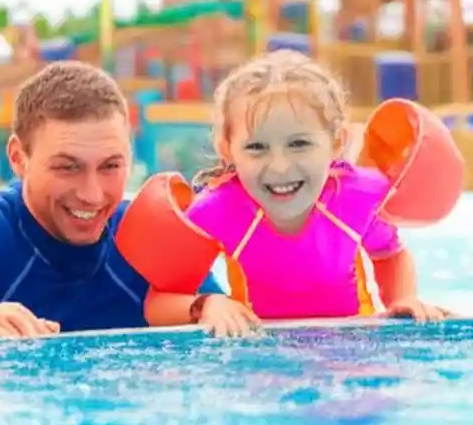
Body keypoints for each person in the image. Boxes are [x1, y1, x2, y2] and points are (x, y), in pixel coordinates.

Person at [0, 60, 239, 344]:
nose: (92, 194)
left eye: (111, 166)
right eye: (68, 167)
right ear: (18, 158)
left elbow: (222, 333)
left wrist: (213, 304)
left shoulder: (148, 236)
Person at [132, 50, 455, 332]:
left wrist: (401, 299)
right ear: (227, 149)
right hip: (260, 356)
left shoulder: (358, 199)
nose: (280, 167)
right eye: (257, 147)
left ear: (336, 143)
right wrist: (205, 304)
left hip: (352, 351)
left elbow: (389, 253)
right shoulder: (216, 210)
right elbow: (158, 303)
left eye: (299, 144)